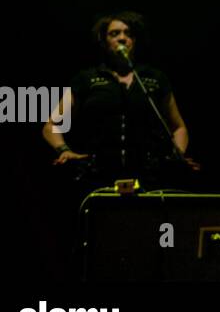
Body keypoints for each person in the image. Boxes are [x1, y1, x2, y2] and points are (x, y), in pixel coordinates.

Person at [43, 11, 197, 189]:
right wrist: (64, 150)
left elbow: (178, 127)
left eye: (128, 33)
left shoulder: (154, 78)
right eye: (114, 33)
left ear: (135, 41)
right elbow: (52, 124)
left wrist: (177, 155)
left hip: (150, 178)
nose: (122, 38)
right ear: (104, 41)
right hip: (97, 177)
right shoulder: (86, 79)